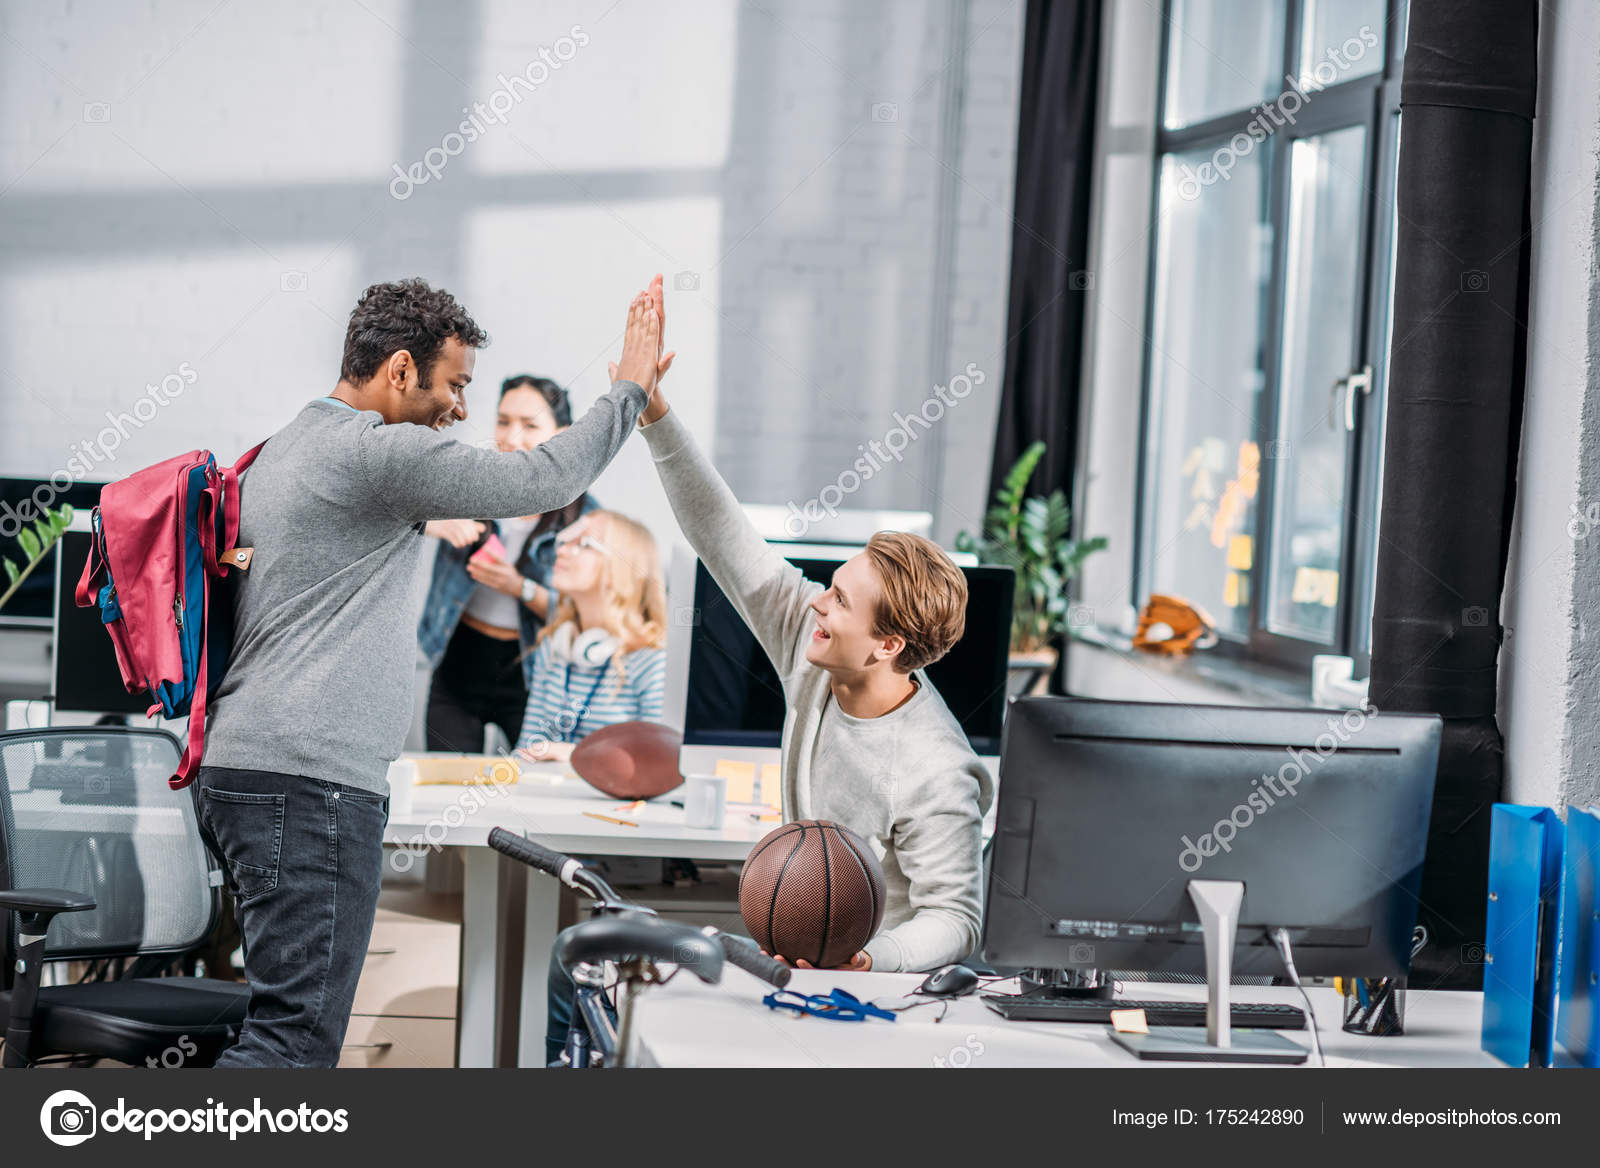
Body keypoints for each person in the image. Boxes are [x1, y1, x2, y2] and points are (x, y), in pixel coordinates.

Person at [197, 276, 664, 1067]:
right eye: (456, 386)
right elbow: (543, 480)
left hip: (252, 770)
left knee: (278, 1028)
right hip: (309, 784)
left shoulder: (286, 447)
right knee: (293, 1044)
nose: (460, 409)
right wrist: (630, 390)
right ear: (402, 370)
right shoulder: (378, 453)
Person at [629, 279, 992, 974]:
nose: (818, 604)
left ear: (888, 645)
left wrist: (865, 958)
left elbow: (955, 920)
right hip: (810, 957)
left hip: (887, 989)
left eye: (842, 601)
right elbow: (722, 534)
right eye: (830, 587)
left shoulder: (934, 768)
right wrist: (652, 408)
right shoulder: (811, 639)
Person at [417, 375, 599, 752]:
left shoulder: (585, 519)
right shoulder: (466, 486)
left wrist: (518, 587)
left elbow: (589, 618)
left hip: (533, 673)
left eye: (530, 425)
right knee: (449, 779)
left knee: (528, 783)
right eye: (503, 421)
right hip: (458, 661)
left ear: (563, 435)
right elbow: (385, 508)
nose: (512, 438)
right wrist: (433, 524)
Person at [514, 510, 668, 763]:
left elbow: (659, 760)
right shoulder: (555, 646)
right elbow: (526, 751)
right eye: (566, 540)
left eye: (584, 544)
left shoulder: (651, 660)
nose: (562, 550)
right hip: (544, 787)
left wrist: (577, 755)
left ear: (620, 568)